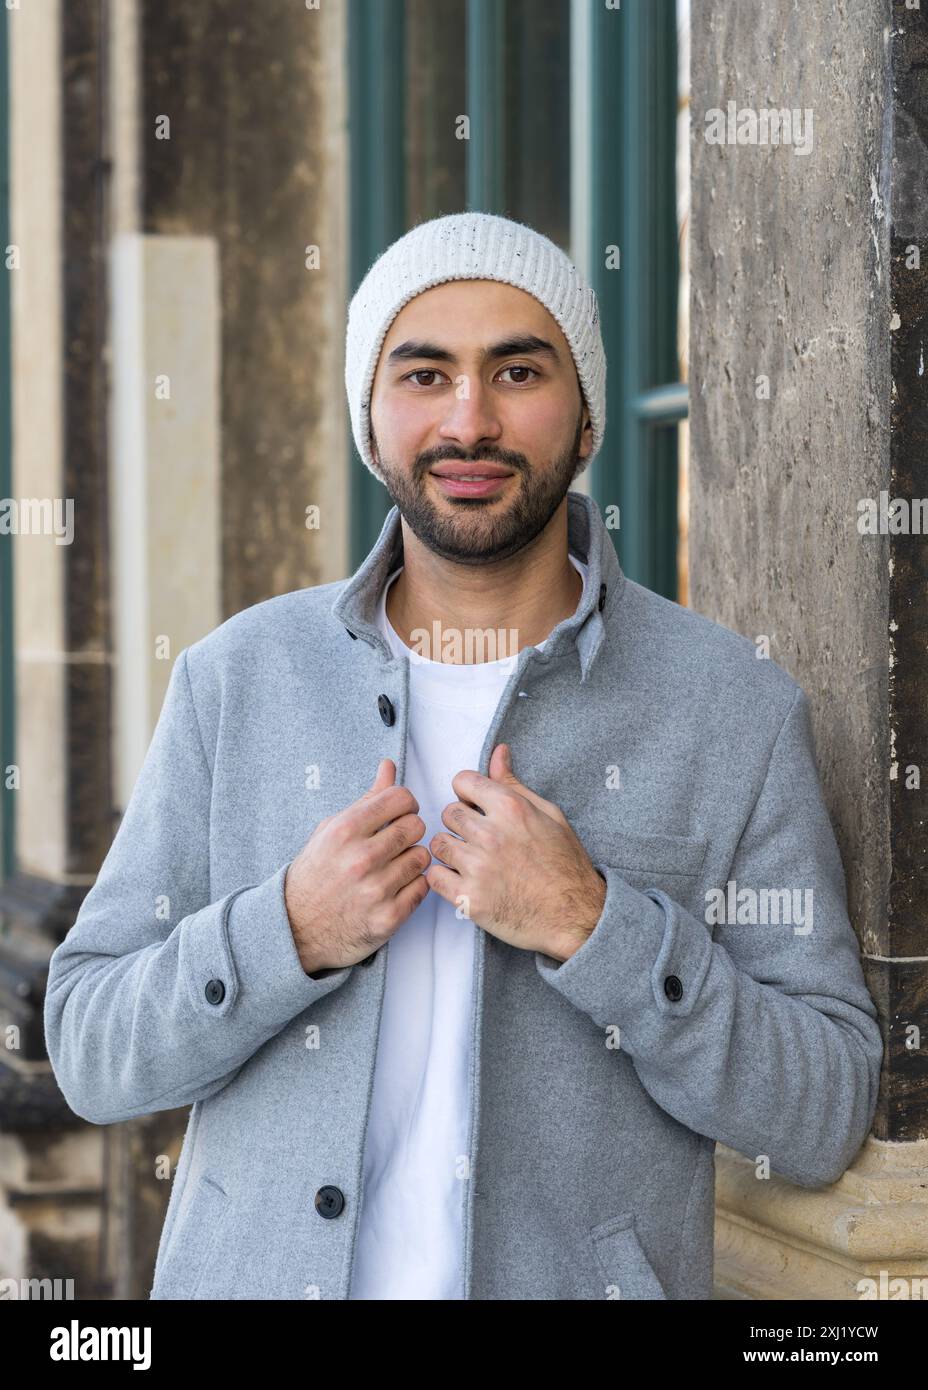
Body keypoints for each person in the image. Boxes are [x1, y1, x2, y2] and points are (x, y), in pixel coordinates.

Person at [44, 212, 883, 1301]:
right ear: (371, 418)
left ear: (584, 419)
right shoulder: (236, 679)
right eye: (425, 374)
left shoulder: (733, 710)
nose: (470, 421)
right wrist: (284, 932)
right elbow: (91, 1049)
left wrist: (598, 926)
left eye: (518, 371)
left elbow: (821, 1108)